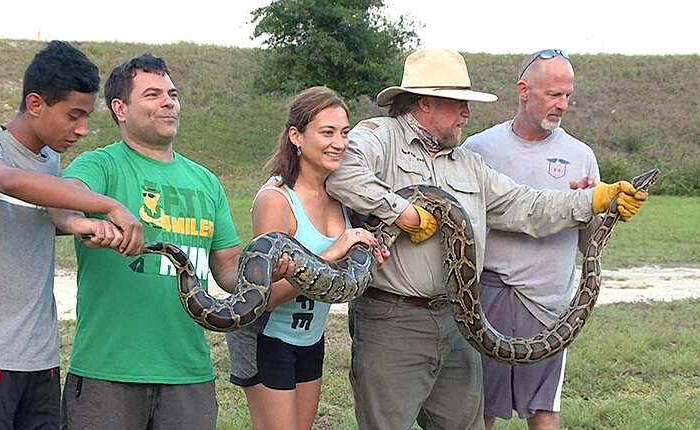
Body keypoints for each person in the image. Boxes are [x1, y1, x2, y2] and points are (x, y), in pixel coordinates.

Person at [324, 48, 648, 430]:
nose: (467, 112)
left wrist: (594, 199)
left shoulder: (467, 163)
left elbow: (527, 205)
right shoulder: (379, 137)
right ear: (426, 102)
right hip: (393, 322)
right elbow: (341, 172)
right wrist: (404, 213)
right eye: (459, 103)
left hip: (458, 322)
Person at [59, 53, 293, 430]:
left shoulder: (206, 181)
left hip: (189, 375)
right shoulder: (101, 165)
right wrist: (97, 214)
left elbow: (230, 272)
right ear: (120, 108)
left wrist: (273, 271)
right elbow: (63, 196)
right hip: (108, 372)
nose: (169, 102)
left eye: (173, 93)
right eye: (153, 95)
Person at [0, 40, 142, 430]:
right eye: (73, 116)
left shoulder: (50, 159)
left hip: (40, 358)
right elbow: (9, 181)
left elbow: (50, 210)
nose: (82, 129)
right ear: (35, 104)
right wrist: (108, 205)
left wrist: (79, 222)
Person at [225, 86, 390, 430]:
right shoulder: (277, 199)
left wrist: (369, 251)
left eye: (344, 132)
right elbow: (262, 299)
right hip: (267, 337)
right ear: (296, 136)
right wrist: (330, 254)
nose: (340, 143)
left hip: (310, 337)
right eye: (327, 132)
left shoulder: (343, 195)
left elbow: (349, 261)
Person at [462, 49, 599, 430]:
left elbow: (590, 245)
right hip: (491, 294)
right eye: (554, 94)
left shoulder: (581, 156)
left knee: (544, 411)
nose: (563, 105)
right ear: (524, 90)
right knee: (480, 408)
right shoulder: (479, 149)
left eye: (568, 95)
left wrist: (595, 209)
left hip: (550, 304)